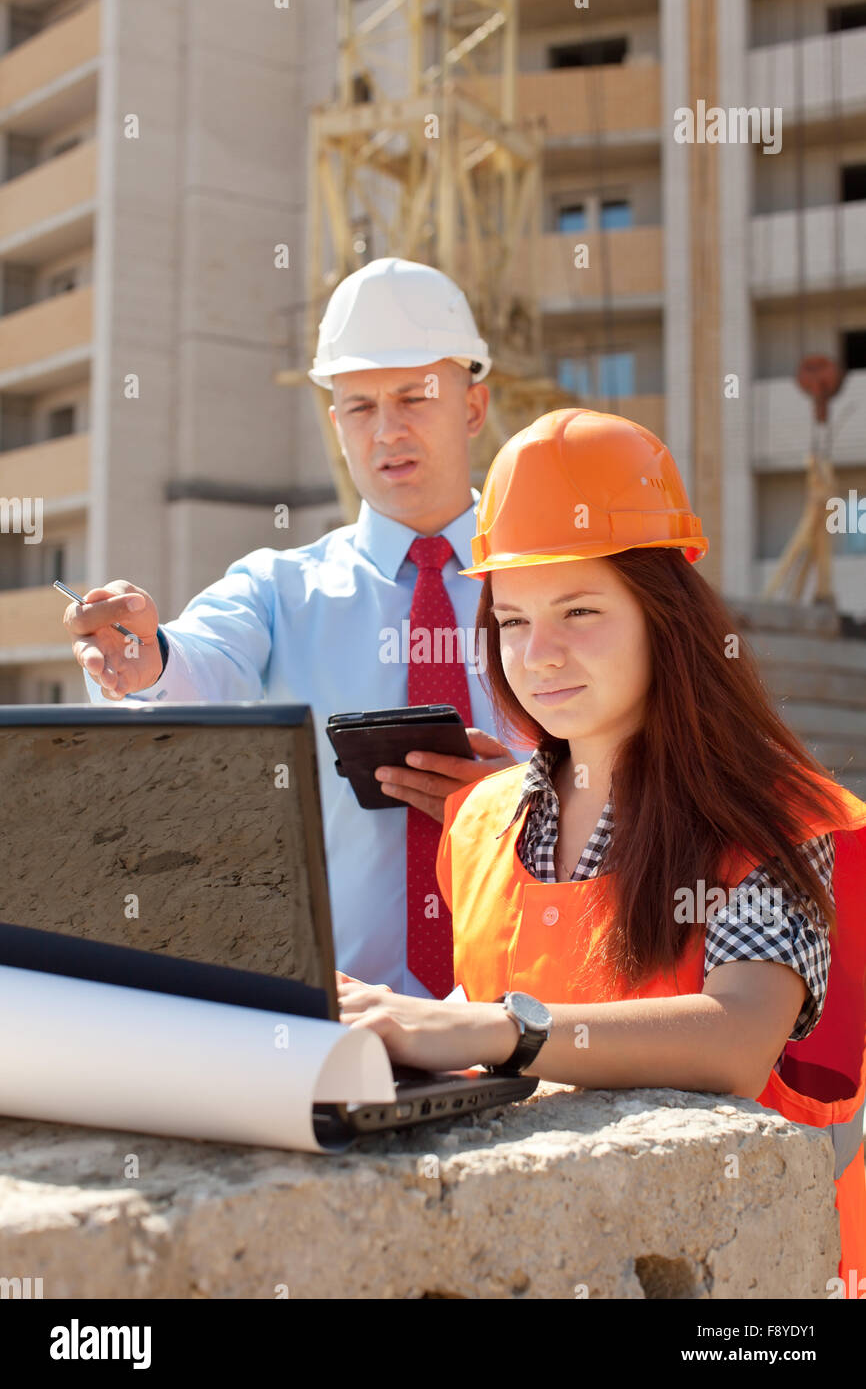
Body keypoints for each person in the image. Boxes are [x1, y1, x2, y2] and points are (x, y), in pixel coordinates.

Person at [337, 407, 866, 1293]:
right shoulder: (480, 821)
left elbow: (736, 1038)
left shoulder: (785, 819)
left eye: (580, 610)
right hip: (525, 1255)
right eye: (511, 621)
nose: (539, 655)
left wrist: (495, 1026)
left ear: (667, 620)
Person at [62, 257, 526, 997]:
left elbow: (634, 778)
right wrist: (140, 662)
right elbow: (197, 667)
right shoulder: (279, 589)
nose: (388, 432)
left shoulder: (548, 583)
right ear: (335, 419)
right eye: (360, 406)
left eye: (413, 398)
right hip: (341, 1024)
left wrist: (527, 799)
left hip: (533, 1020)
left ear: (473, 408)